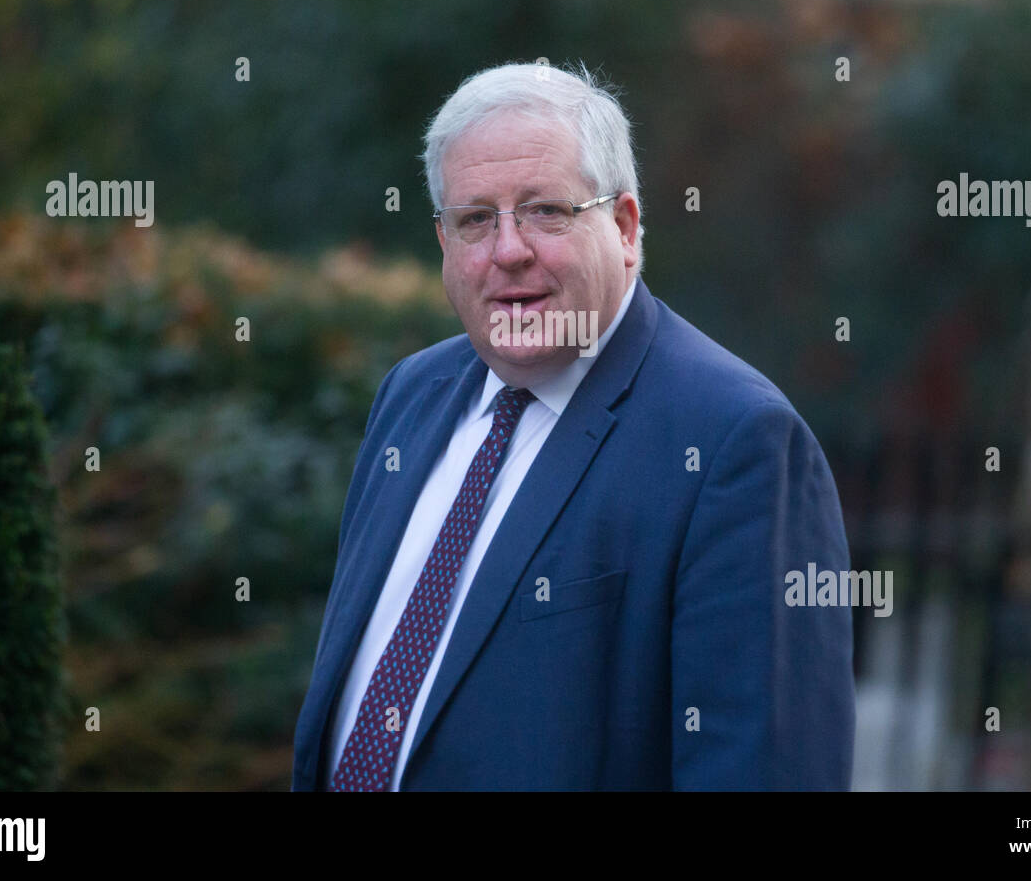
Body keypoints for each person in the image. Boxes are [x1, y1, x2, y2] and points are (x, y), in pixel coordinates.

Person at [292, 62, 854, 790]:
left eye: (545, 211)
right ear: (444, 244)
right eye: (475, 220)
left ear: (623, 226)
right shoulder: (412, 395)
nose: (508, 250)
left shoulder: (734, 443)